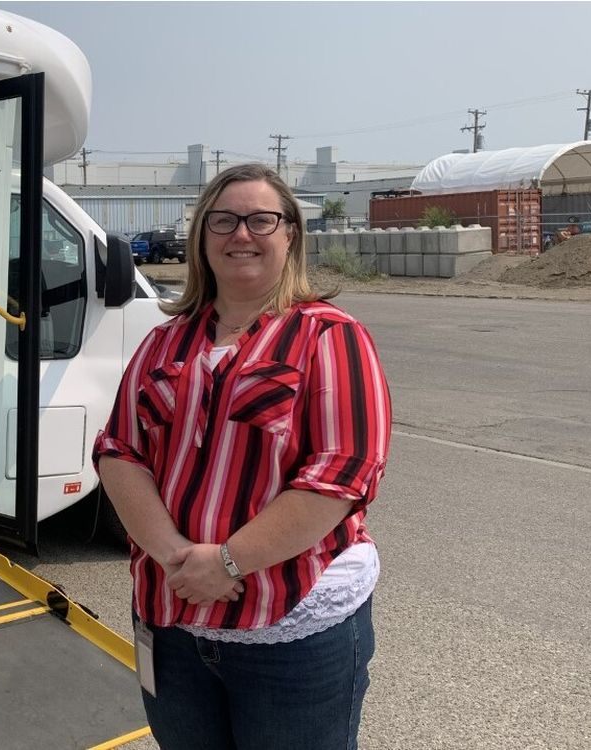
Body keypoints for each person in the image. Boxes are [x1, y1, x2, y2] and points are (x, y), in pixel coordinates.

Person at [93, 163, 391, 750]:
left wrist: (227, 563)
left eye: (261, 219)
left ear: (290, 236)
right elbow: (119, 450)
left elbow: (340, 475)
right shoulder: (165, 340)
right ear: (203, 238)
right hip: (171, 617)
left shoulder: (329, 336)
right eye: (223, 221)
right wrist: (179, 557)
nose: (241, 234)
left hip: (291, 627)